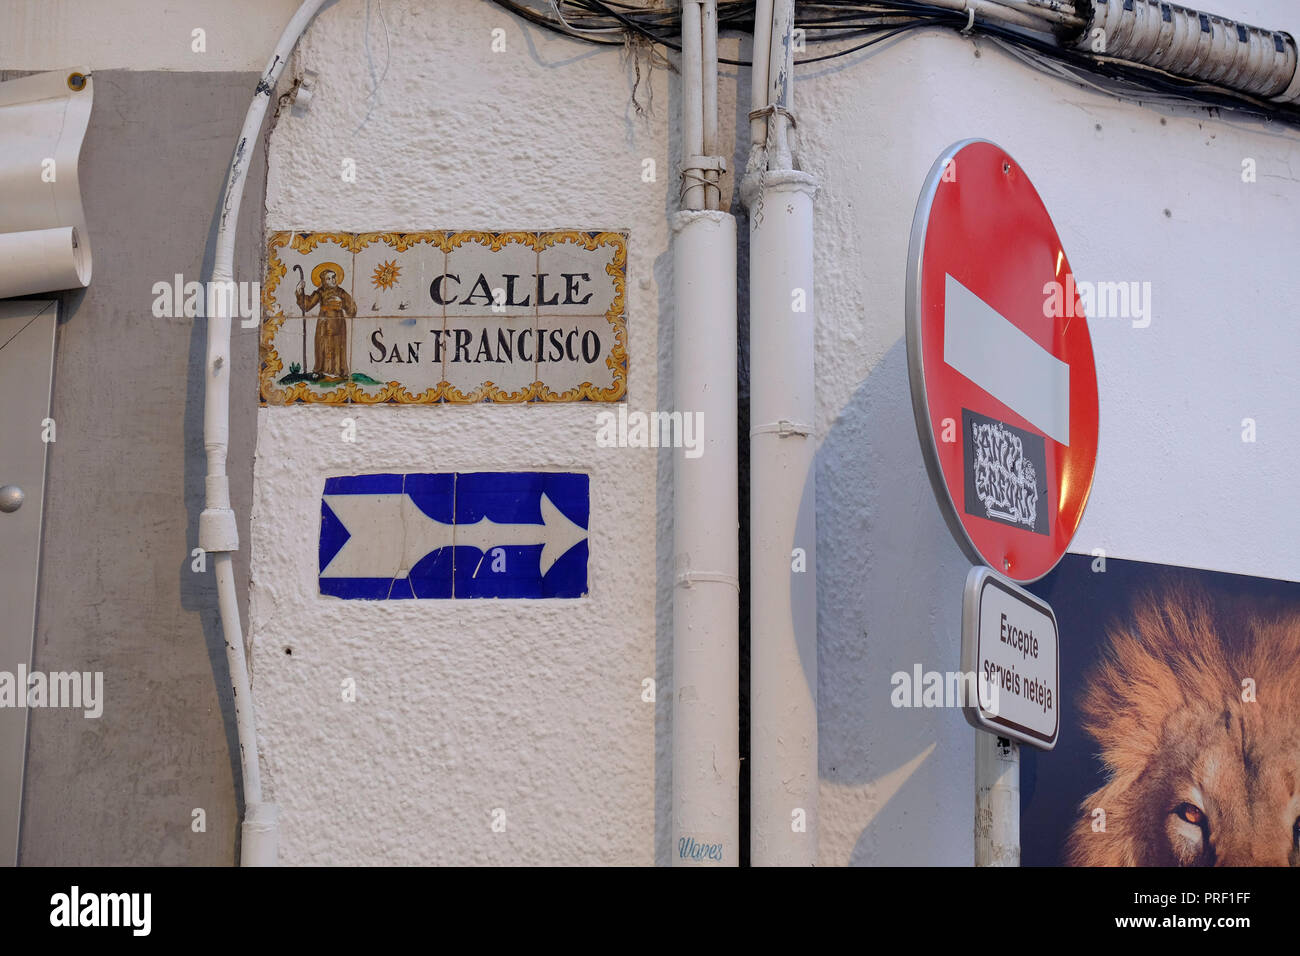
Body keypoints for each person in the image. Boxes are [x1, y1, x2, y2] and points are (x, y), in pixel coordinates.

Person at [296, 262, 356, 379]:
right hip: (323, 324)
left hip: (338, 323)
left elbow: (352, 309)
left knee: (339, 346)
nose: (332, 280)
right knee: (321, 346)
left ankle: (341, 372)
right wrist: (299, 292)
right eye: (329, 278)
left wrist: (342, 302)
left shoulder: (341, 292)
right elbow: (307, 305)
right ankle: (319, 371)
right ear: (324, 281)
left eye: (334, 277)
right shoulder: (320, 292)